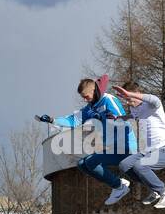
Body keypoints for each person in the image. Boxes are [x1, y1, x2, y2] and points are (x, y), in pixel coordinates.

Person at [37, 77, 137, 206]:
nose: (85, 99)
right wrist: (52, 120)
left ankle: (120, 186)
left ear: (94, 91)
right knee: (82, 164)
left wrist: (108, 118)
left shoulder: (108, 99)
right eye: (83, 97)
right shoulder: (90, 108)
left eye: (87, 96)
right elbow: (73, 120)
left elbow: (123, 119)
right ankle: (119, 185)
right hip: (113, 147)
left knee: (91, 162)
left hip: (125, 146)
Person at [115, 80, 165, 209]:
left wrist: (129, 93)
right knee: (124, 165)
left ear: (138, 94)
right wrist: (119, 118)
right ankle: (154, 190)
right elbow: (133, 116)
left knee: (140, 166)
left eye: (130, 99)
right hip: (150, 150)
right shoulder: (134, 109)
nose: (129, 103)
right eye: (127, 101)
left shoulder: (152, 104)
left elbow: (153, 98)